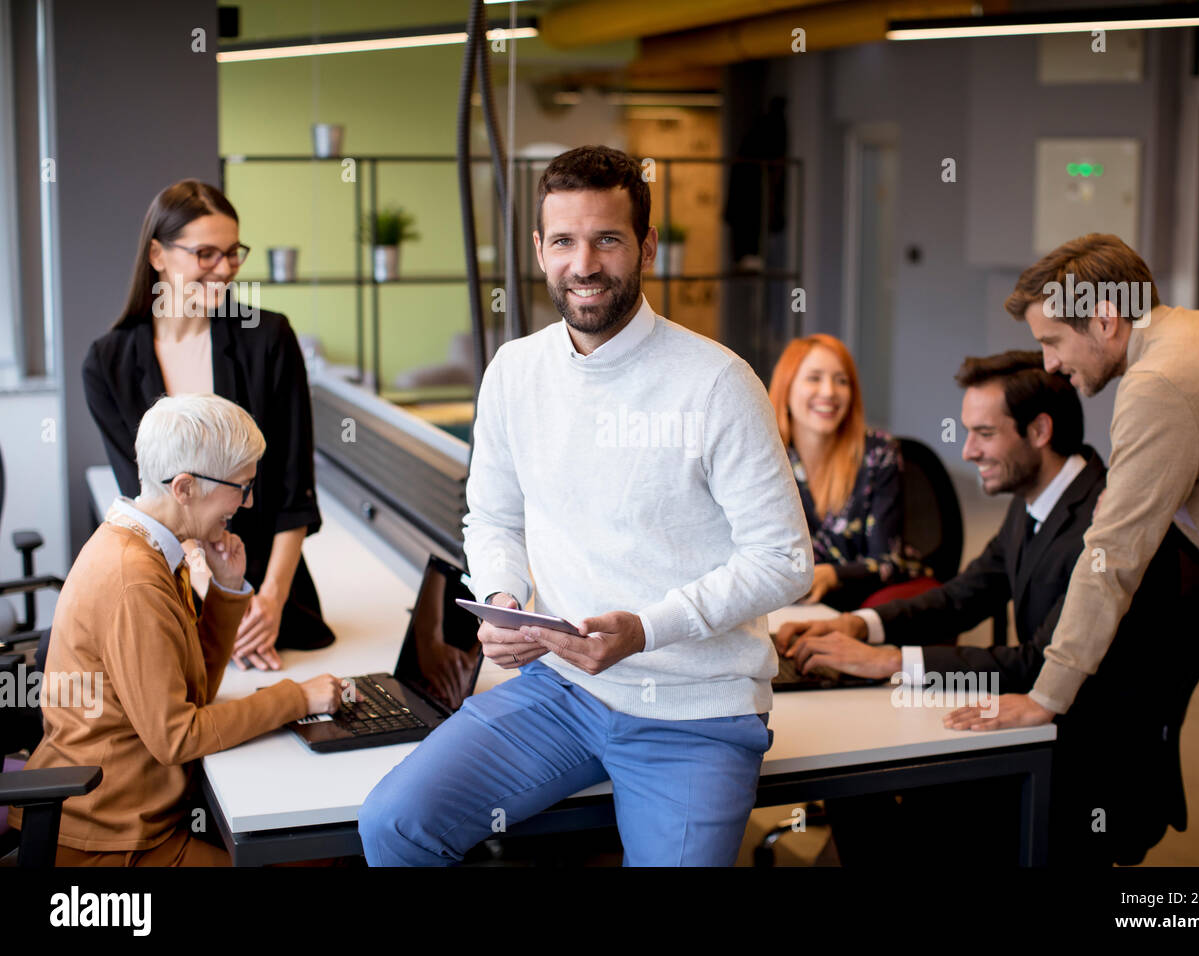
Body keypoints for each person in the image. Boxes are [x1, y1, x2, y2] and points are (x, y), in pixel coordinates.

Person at [358, 145, 813, 867]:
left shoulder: (718, 383)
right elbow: (494, 517)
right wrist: (505, 599)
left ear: (647, 247)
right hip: (561, 690)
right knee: (394, 825)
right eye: (565, 241)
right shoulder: (516, 371)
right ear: (540, 249)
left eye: (607, 238)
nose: (585, 263)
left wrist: (646, 629)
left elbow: (785, 561)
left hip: (694, 712)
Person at [775, 351, 1199, 865]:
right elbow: (964, 595)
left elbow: (1040, 661)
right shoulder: (1036, 498)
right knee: (861, 787)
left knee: (866, 788)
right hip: (1042, 733)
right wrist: (860, 624)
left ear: (1039, 431)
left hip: (1087, 764)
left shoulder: (1104, 524)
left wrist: (887, 662)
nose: (967, 450)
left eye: (984, 433)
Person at [951, 233, 1199, 867]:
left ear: (1105, 319)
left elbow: (1112, 551)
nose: (1050, 364)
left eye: (1053, 341)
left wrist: (1046, 697)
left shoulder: (1161, 382)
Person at [6, 395, 342, 866]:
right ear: (184, 487)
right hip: (110, 839)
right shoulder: (134, 578)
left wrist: (226, 592)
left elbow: (191, 691)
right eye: (240, 488)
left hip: (132, 814)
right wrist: (296, 698)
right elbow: (178, 737)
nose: (246, 503)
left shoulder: (149, 547)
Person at [83, 179, 334, 672]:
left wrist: (265, 602)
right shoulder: (108, 364)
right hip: (174, 588)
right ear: (158, 254)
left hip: (273, 596)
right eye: (205, 254)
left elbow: (293, 492)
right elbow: (154, 503)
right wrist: (220, 600)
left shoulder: (268, 339)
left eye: (233, 253)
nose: (224, 270)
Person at [768, 333, 921, 611]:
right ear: (786, 389)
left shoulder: (878, 452)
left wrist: (832, 575)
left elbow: (887, 561)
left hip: (859, 604)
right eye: (814, 378)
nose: (829, 392)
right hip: (783, 606)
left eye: (841, 380)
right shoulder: (764, 456)